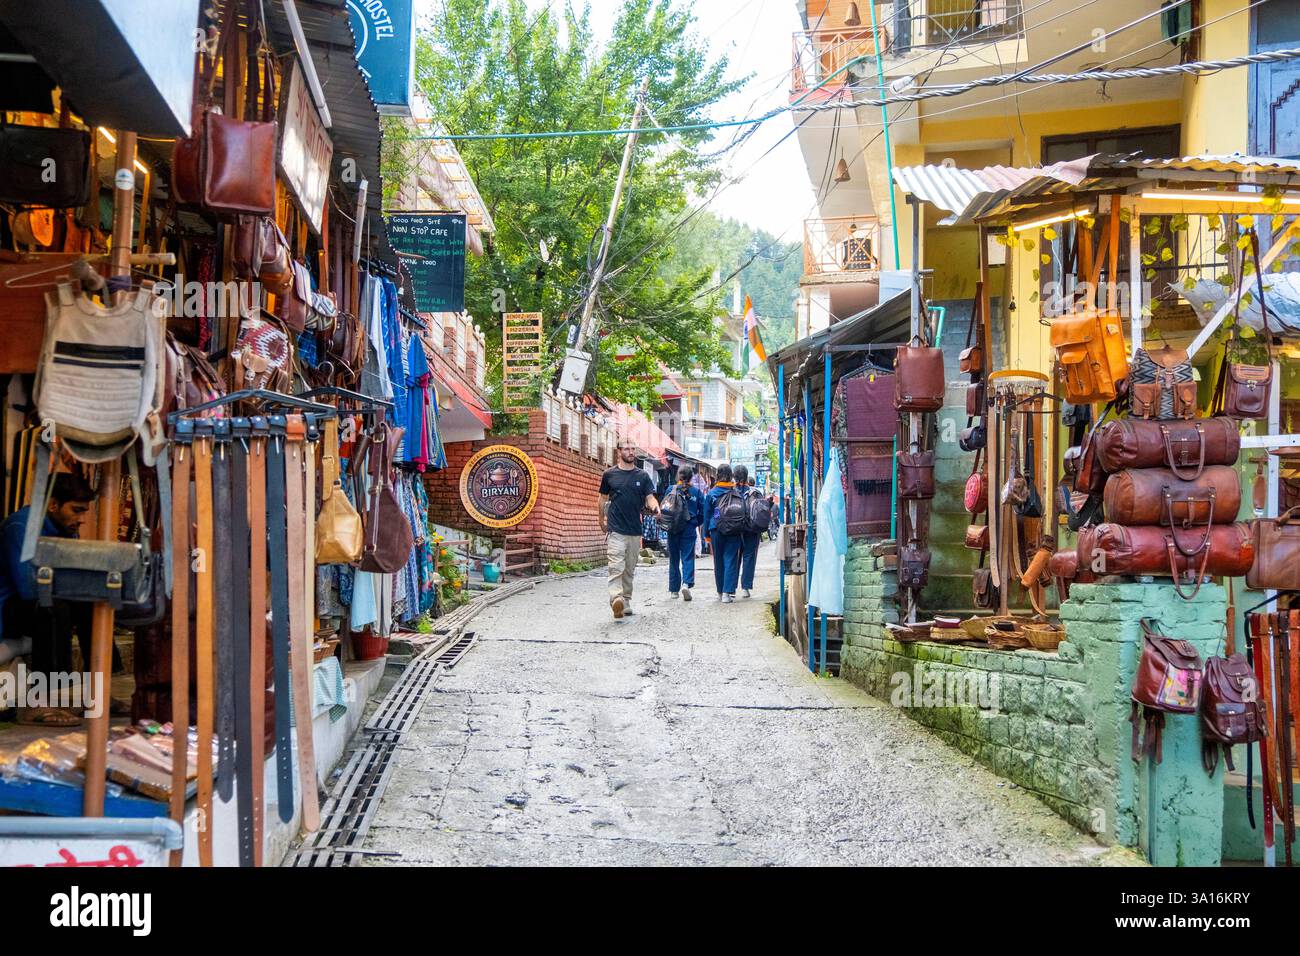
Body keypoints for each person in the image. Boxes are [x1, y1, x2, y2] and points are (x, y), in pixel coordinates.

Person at [0, 472, 98, 725]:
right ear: (53, 504)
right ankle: (39, 701)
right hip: (7, 611)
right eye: (76, 511)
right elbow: (27, 588)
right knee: (51, 607)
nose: (81, 519)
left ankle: (97, 692)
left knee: (94, 603)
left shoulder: (65, 529)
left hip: (32, 604)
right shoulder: (21, 527)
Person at [599, 440, 659, 620]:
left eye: (633, 449)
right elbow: (602, 499)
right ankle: (616, 597)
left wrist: (656, 508)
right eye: (627, 449)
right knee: (616, 566)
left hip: (634, 530)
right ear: (619, 451)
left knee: (629, 569)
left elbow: (650, 497)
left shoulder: (643, 476)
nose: (631, 452)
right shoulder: (609, 474)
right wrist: (601, 519)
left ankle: (625, 601)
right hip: (616, 529)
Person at [663, 466, 705, 602]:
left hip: (673, 528)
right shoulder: (696, 492)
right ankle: (686, 584)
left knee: (674, 559)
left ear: (678, 476)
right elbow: (702, 513)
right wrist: (694, 523)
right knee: (687, 558)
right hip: (688, 528)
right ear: (691, 477)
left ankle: (674, 590)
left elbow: (665, 509)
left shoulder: (671, 489)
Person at [704, 464, 743, 603]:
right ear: (731, 475)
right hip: (734, 530)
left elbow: (707, 515)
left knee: (718, 561)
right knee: (731, 559)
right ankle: (727, 593)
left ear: (718, 475)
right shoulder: (736, 492)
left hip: (716, 529)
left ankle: (720, 592)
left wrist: (706, 535)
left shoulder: (711, 493)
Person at [734, 466, 760, 599]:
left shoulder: (730, 492)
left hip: (734, 530)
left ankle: (731, 587)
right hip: (752, 529)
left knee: (734, 558)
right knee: (749, 557)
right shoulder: (755, 492)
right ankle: (745, 587)